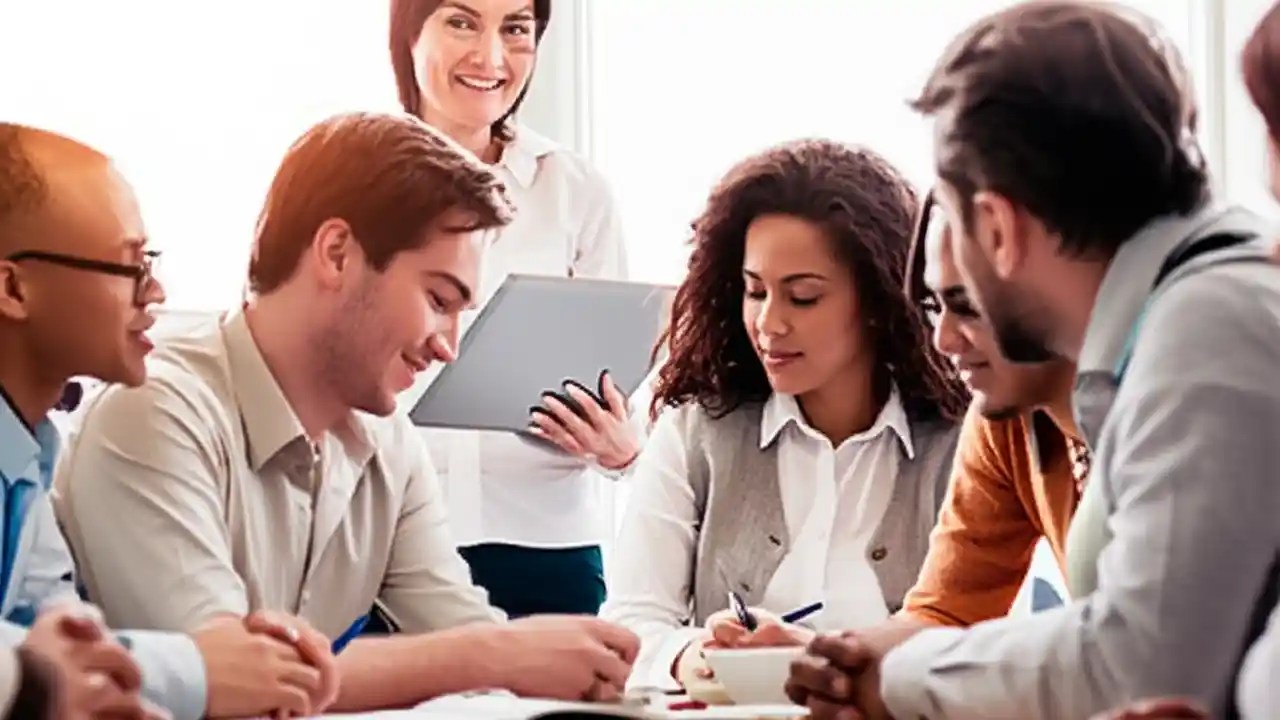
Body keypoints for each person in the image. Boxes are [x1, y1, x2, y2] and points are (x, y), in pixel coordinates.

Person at [784, 3, 1280, 719]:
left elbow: (1144, 666)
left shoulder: (1206, 327)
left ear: (997, 226)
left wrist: (902, 680)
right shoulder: (1184, 316)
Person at [52, 111, 638, 712]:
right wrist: (497, 654)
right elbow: (226, 681)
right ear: (336, 253)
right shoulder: (153, 413)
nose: (449, 345)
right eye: (438, 300)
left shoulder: (389, 445)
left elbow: (469, 639)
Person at [599, 139, 970, 690]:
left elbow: (982, 645)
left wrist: (829, 661)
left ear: (878, 301)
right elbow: (631, 625)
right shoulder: (695, 431)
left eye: (803, 298)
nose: (768, 324)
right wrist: (697, 654)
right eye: (754, 292)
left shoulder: (961, 445)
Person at [0, 122, 340, 719]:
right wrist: (200, 670)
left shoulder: (25, 448)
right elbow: (30, 667)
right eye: (129, 265)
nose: (154, 290)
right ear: (12, 287)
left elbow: (59, 640)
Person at [389, 0, 636, 617]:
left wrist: (621, 447)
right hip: (384, 536)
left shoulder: (575, 190)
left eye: (517, 28)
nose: (491, 57)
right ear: (410, 33)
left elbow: (625, 388)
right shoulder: (349, 178)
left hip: (548, 544)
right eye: (462, 22)